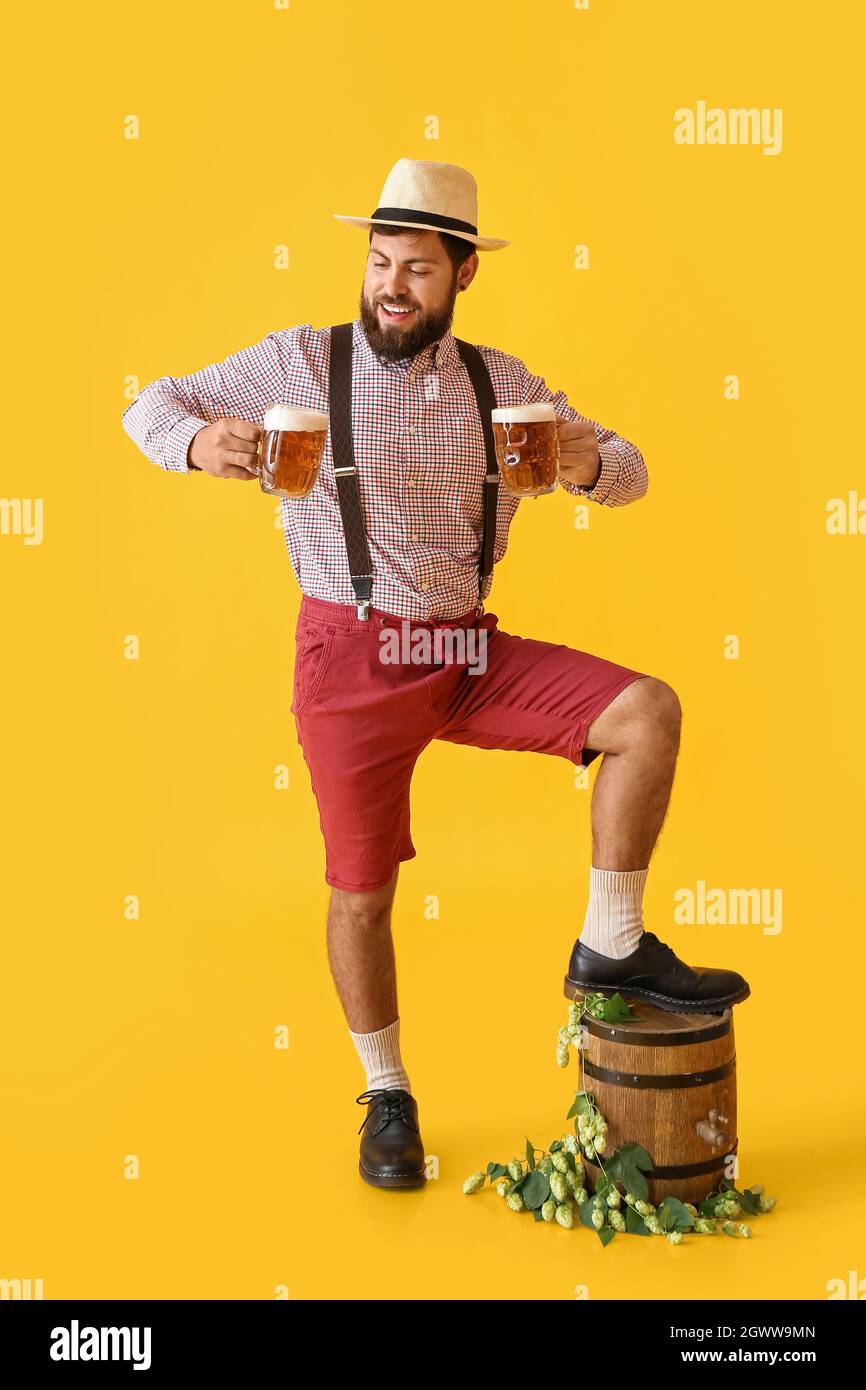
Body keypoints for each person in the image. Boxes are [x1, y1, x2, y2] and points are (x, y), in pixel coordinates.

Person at [122, 158, 749, 1191]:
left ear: (462, 275)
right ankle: (387, 1094)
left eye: (416, 267)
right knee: (361, 894)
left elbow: (629, 468)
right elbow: (149, 404)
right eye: (376, 263)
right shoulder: (296, 363)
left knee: (647, 713)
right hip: (348, 658)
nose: (389, 287)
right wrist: (195, 443)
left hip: (461, 650)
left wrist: (588, 464)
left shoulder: (499, 385)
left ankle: (609, 943)